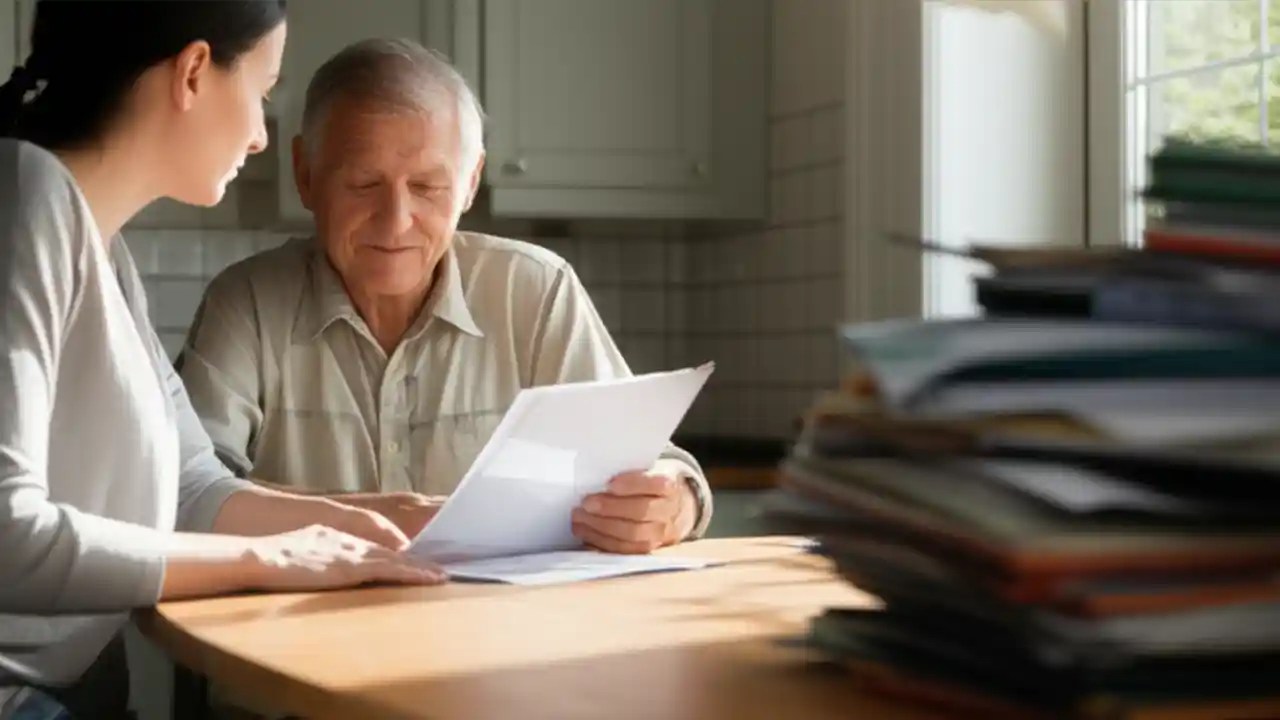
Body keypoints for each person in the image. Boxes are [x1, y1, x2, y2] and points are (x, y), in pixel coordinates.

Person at [0, 5, 445, 719]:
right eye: (263, 91)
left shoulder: (102, 248)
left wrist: (375, 518)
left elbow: (192, 489)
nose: (261, 135)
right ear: (194, 72)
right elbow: (6, 533)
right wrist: (265, 558)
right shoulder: (26, 199)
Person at [180, 38, 715, 554]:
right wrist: (385, 518)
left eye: (427, 187)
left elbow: (654, 464)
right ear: (305, 174)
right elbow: (186, 495)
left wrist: (676, 503)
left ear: (470, 181)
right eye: (363, 184)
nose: (396, 221)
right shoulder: (247, 305)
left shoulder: (536, 291)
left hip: (497, 617)